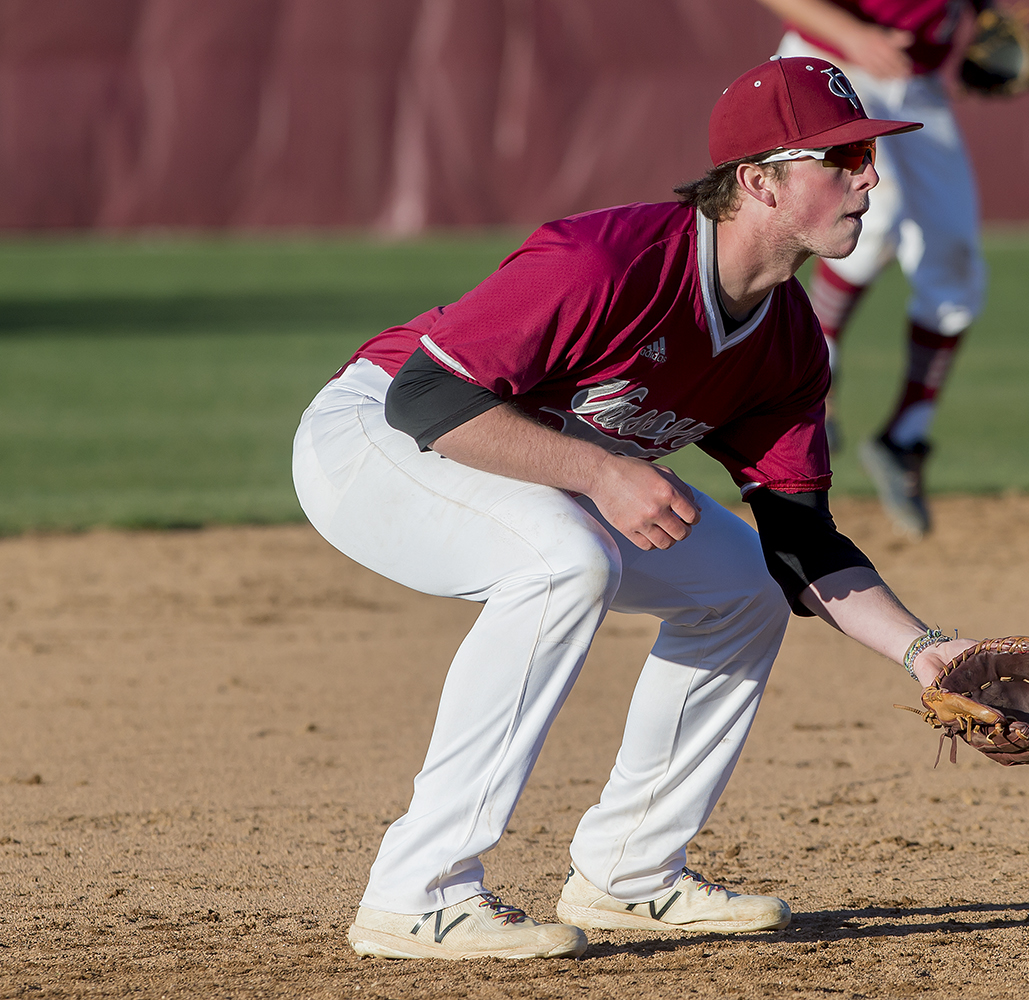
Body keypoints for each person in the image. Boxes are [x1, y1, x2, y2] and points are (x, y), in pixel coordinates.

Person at [291, 56, 975, 962]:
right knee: (565, 559)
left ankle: (631, 874)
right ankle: (419, 890)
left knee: (742, 586)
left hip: (530, 456)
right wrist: (604, 476)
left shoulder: (787, 341)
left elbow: (800, 541)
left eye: (868, 157)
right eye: (842, 160)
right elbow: (422, 399)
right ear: (760, 181)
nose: (870, 178)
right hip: (374, 438)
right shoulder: (604, 259)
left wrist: (928, 654)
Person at [755, 0, 994, 535]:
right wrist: (853, 33)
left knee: (955, 267)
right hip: (830, 67)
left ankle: (906, 437)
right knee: (870, 214)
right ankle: (819, 359)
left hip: (918, 82)